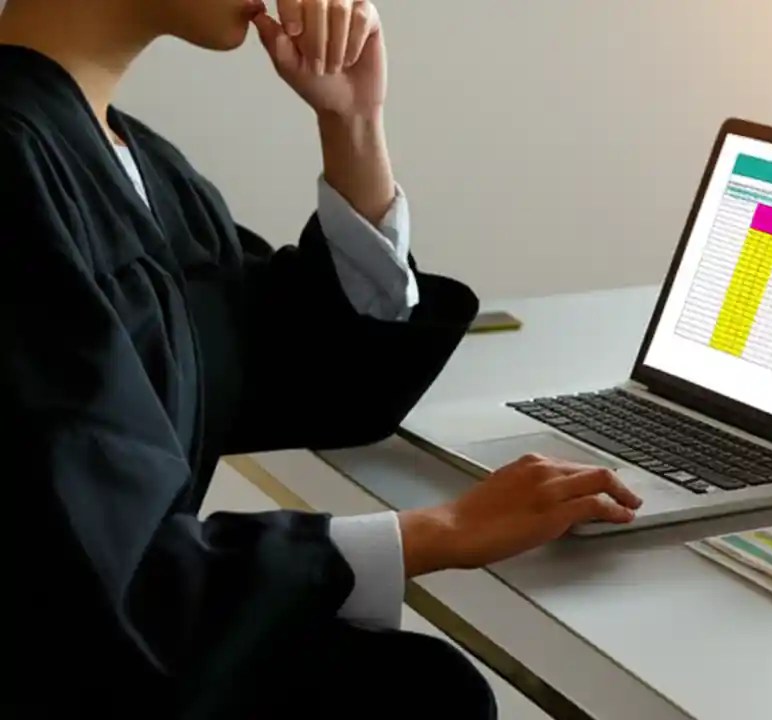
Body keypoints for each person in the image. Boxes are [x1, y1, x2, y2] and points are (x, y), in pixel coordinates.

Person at [0, 0, 643, 716]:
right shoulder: (14, 162)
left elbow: (307, 375)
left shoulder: (130, 158)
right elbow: (86, 561)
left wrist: (353, 125)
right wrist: (437, 532)